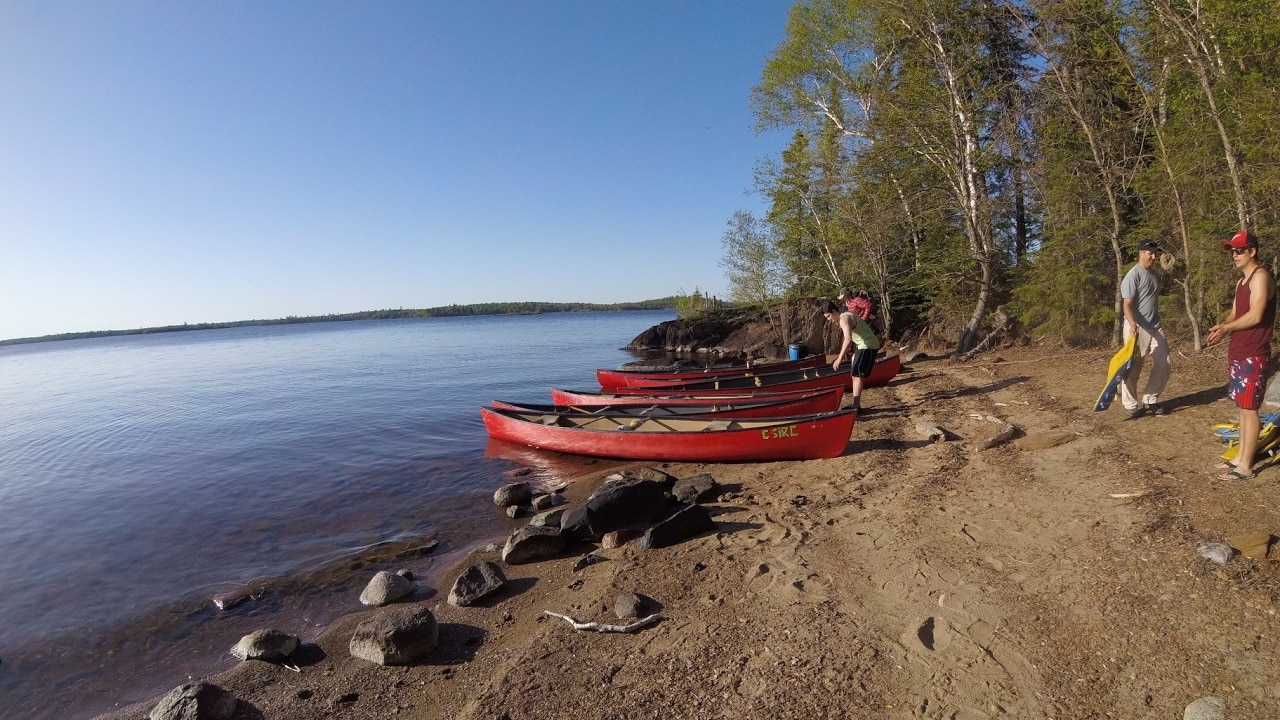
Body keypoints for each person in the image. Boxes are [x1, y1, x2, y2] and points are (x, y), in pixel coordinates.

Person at [1206, 230, 1276, 481]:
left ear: (1252, 251)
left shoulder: (1261, 277)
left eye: (1239, 250)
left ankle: (1246, 466)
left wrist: (1227, 328)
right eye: (1232, 251)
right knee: (1243, 407)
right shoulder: (1241, 282)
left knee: (1250, 409)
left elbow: (1256, 315)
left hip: (1254, 352)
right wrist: (1221, 328)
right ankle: (1239, 457)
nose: (1234, 255)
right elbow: (1236, 314)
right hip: (1238, 351)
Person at [1119, 240, 1171, 419]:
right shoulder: (1133, 275)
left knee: (1165, 361)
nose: (1154, 256)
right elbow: (1126, 304)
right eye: (1150, 253)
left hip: (1155, 326)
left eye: (1156, 253)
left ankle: (1150, 398)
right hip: (1136, 326)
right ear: (1141, 252)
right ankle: (1130, 404)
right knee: (1134, 367)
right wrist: (1133, 324)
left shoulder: (1155, 275)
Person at [822, 300, 880, 413]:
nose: (829, 319)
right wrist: (847, 352)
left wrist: (839, 358)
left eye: (829, 316)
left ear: (834, 311)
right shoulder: (846, 315)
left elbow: (848, 339)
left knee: (857, 375)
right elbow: (850, 336)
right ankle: (855, 404)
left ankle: (856, 406)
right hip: (863, 345)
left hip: (867, 345)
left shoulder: (844, 319)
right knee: (855, 375)